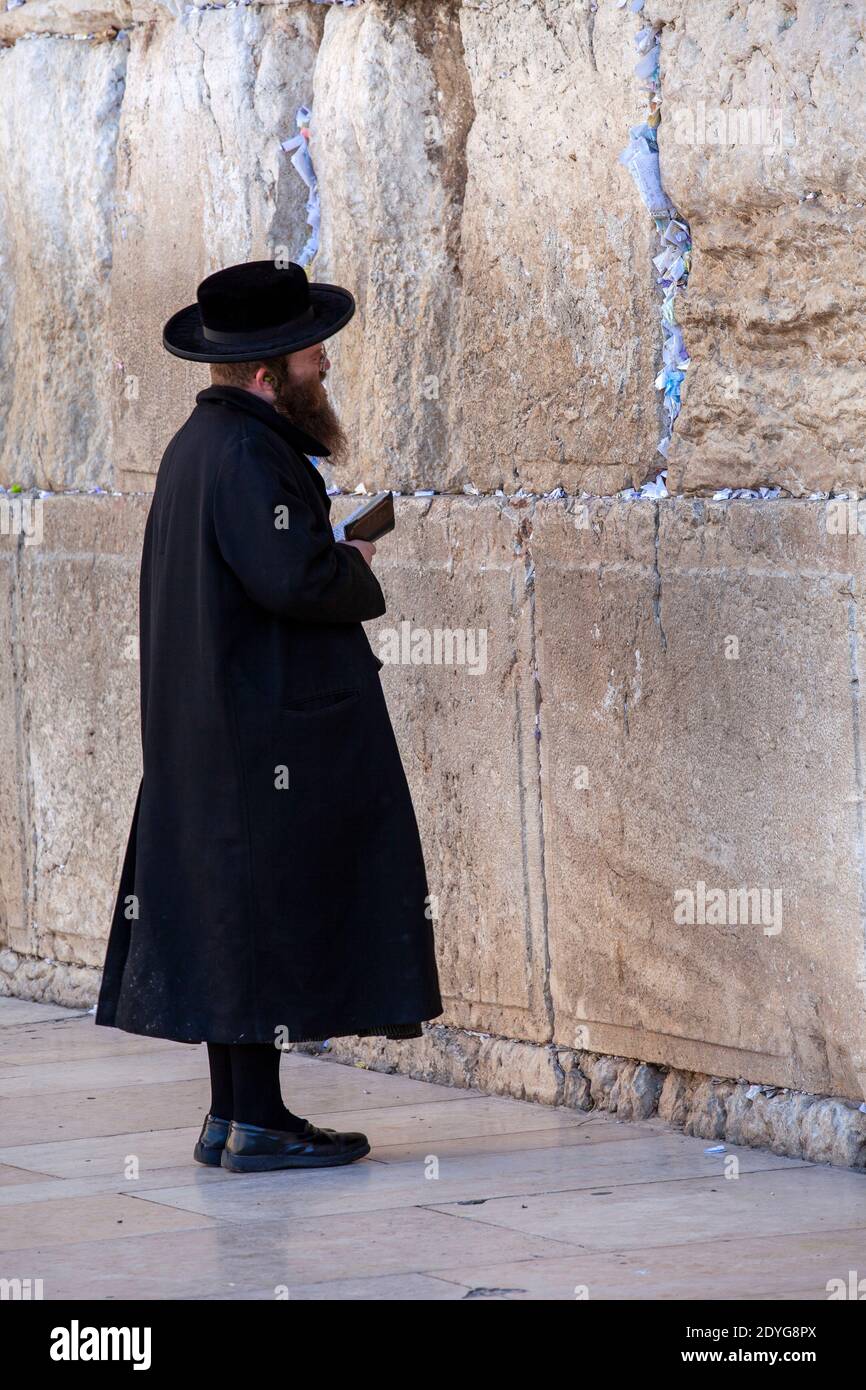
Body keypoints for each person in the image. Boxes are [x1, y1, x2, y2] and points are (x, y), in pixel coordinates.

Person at [95, 259, 443, 1173]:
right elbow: (292, 577)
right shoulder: (250, 452)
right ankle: (254, 1122)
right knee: (258, 921)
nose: (322, 364)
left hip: (218, 733)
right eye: (308, 352)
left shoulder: (201, 445)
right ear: (265, 372)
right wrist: (355, 556)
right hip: (262, 737)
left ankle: (239, 1115)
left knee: (235, 920)